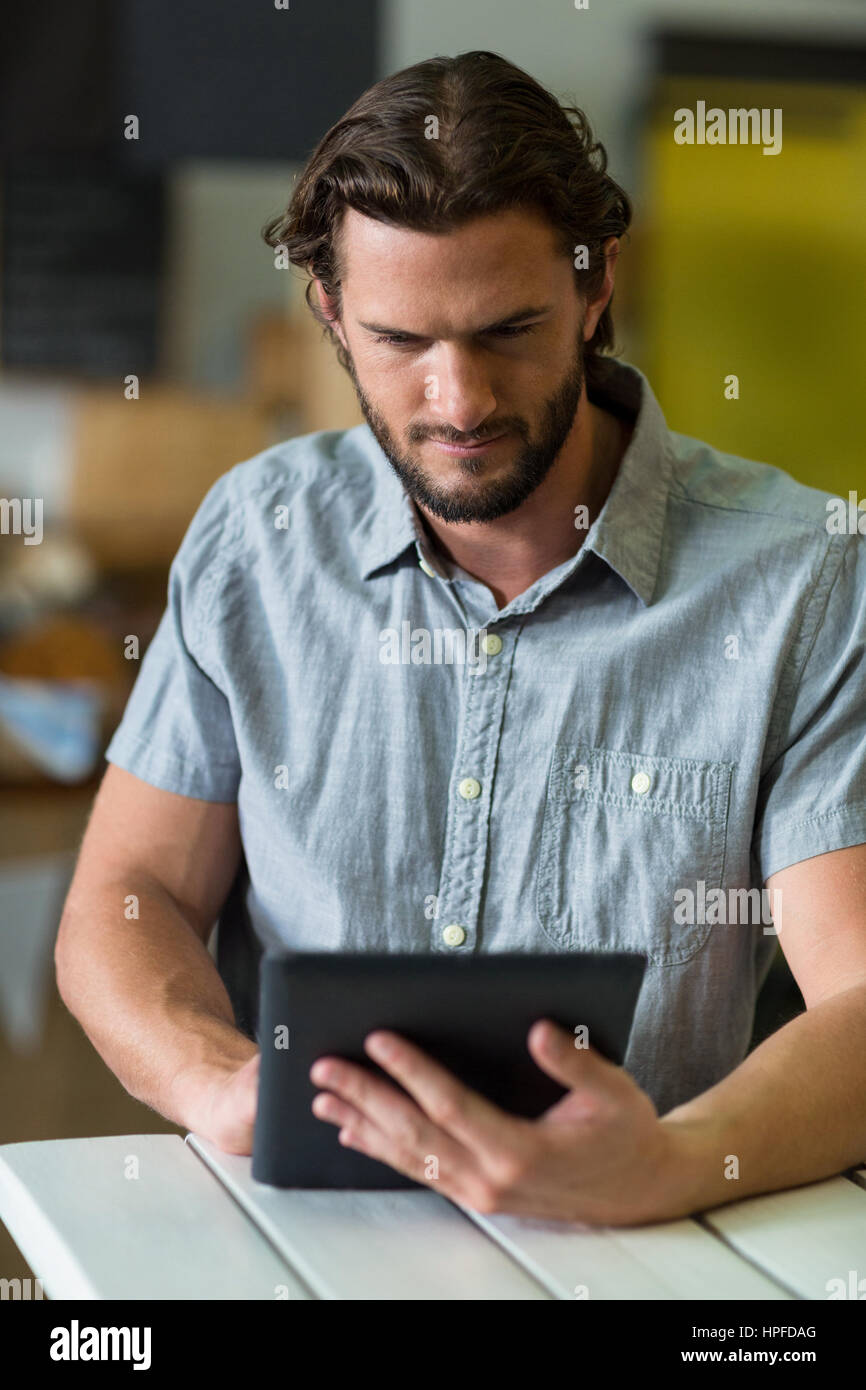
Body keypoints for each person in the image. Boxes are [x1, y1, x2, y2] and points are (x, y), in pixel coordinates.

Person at [55, 51, 866, 1227]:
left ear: (596, 288)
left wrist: (675, 1160)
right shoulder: (257, 538)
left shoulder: (801, 578)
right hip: (299, 1240)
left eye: (507, 329)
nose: (459, 400)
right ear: (330, 311)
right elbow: (126, 894)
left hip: (639, 1252)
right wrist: (223, 1086)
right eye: (399, 342)